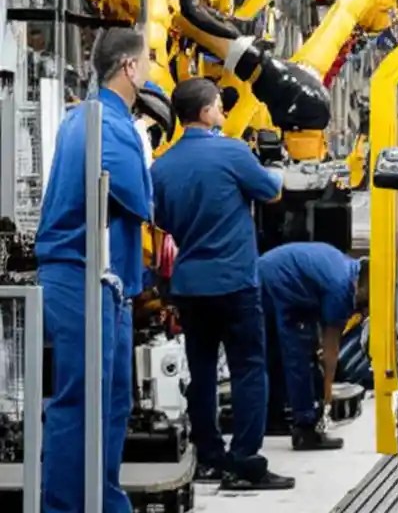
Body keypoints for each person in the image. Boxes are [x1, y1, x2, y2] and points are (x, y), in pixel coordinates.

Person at [151, 78, 294, 490]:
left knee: (201, 372)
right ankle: (244, 462)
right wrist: (274, 164)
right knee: (248, 368)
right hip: (235, 282)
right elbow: (272, 191)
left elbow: (162, 221)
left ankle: (209, 457)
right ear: (205, 112)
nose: (223, 111)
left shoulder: (161, 166)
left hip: (190, 286)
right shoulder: (232, 152)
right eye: (218, 105)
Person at [36, 27, 154, 512]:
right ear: (130, 67)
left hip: (104, 281)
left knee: (111, 402)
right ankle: (66, 507)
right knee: (81, 402)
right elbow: (140, 198)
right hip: (81, 276)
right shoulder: (108, 123)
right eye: (147, 60)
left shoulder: (88, 117)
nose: (150, 69)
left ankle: (103, 499)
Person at [259, 242, 369, 450]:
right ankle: (305, 429)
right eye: (366, 303)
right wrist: (327, 393)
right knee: (299, 355)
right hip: (282, 284)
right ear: (362, 286)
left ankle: (270, 418)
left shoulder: (345, 266)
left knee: (272, 352)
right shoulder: (342, 289)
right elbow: (331, 349)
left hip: (265, 274)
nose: (363, 310)